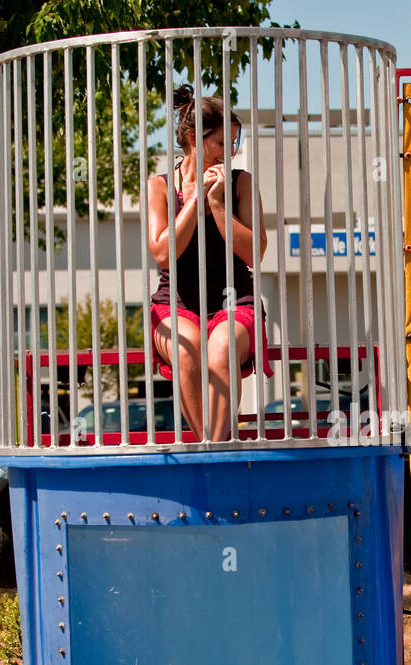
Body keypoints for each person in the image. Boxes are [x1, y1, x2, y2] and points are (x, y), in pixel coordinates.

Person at [146, 84, 271, 442]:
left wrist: (217, 205)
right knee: (187, 352)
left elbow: (254, 253)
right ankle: (208, 447)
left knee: (222, 348)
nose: (229, 153)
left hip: (235, 298)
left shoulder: (241, 182)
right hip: (176, 303)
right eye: (221, 143)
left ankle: (217, 449)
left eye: (234, 143)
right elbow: (163, 253)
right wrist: (194, 200)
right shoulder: (161, 186)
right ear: (192, 139)